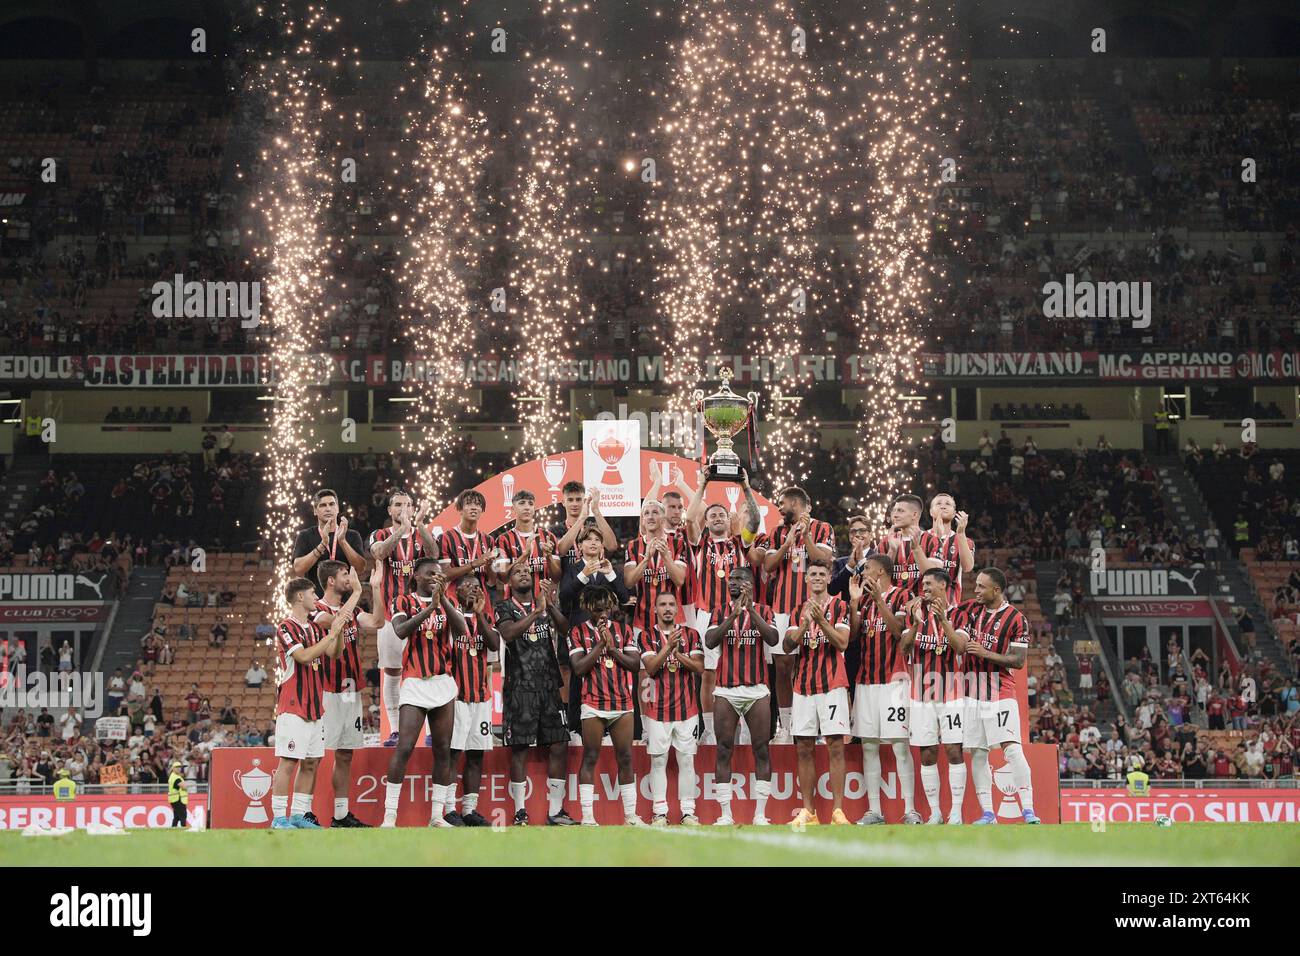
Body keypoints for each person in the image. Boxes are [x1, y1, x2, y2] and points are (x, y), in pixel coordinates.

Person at [381, 558, 467, 828]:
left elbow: (462, 629)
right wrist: (430, 607)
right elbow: (401, 630)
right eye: (430, 573)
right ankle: (389, 815)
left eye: (439, 575)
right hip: (415, 682)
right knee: (404, 747)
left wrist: (441, 601)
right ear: (416, 576)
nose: (435, 577)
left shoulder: (446, 601)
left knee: (443, 751)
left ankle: (436, 816)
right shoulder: (402, 601)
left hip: (442, 682)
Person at [269, 574, 360, 829]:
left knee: (310, 763)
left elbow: (335, 652)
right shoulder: (286, 626)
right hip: (293, 706)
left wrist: (338, 630)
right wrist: (331, 635)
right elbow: (304, 656)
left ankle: (298, 815)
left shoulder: (313, 627)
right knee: (288, 762)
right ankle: (278, 819)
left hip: (314, 708)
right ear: (300, 596)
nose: (315, 598)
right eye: (312, 594)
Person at [954, 567, 1040, 825]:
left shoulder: (1016, 619)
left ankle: (1028, 810)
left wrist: (984, 653)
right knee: (978, 753)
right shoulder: (971, 611)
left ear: (997, 590)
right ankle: (988, 813)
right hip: (971, 694)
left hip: (1000, 692)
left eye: (982, 587)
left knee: (1012, 749)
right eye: (976, 585)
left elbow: (1018, 660)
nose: (976, 590)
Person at [752, 485, 835, 743]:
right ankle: (786, 727)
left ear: (796, 504)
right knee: (782, 667)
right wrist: (788, 543)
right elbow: (768, 565)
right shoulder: (777, 532)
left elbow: (824, 561)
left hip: (814, 607)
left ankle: (817, 727)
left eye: (783, 503)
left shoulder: (823, 528)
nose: (779, 507)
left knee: (815, 664)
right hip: (782, 609)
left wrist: (806, 536)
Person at [495, 565, 577, 826]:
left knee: (559, 744)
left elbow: (565, 630)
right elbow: (508, 634)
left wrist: (549, 606)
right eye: (517, 572)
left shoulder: (544, 604)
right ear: (509, 581)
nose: (523, 574)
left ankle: (555, 811)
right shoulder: (504, 607)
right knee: (519, 748)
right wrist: (536, 613)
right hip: (519, 685)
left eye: (526, 572)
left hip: (549, 684)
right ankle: (520, 811)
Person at [682, 472, 760, 744]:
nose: (716, 518)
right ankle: (711, 731)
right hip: (707, 616)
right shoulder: (699, 544)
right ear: (707, 522)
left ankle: (749, 730)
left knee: (746, 667)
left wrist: (745, 487)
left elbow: (756, 519)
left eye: (721, 515)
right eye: (712, 515)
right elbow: (689, 518)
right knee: (709, 674)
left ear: (730, 521)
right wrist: (701, 484)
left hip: (740, 614)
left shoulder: (740, 542)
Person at [312, 560, 386, 827]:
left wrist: (375, 588)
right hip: (326, 690)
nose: (350, 578)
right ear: (331, 581)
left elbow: (378, 621)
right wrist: (356, 593)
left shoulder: (353, 611)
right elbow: (335, 624)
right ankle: (302, 811)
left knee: (345, 753)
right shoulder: (317, 610)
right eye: (345, 574)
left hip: (351, 688)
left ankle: (341, 816)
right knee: (315, 754)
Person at [705, 566, 781, 825]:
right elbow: (710, 641)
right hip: (726, 689)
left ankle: (760, 814)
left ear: (750, 584)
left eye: (739, 579)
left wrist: (751, 611)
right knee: (724, 749)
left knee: (761, 748)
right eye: (731, 579)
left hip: (757, 688)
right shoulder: (718, 611)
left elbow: (772, 638)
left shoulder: (765, 611)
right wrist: (732, 616)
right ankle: (725, 814)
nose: (733, 583)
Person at [848, 553, 918, 824]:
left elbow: (899, 632)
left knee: (900, 745)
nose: (863, 572)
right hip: (866, 681)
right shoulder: (863, 599)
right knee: (869, 746)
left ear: (880, 573)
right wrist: (854, 603)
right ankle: (874, 811)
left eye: (867, 568)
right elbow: (853, 636)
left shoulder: (902, 596)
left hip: (894, 681)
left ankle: (910, 809)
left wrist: (879, 600)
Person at [782, 560, 852, 826]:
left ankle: (837, 811)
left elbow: (842, 642)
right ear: (806, 579)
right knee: (803, 748)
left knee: (835, 745)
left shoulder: (840, 606)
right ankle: (809, 812)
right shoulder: (798, 610)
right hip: (803, 686)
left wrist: (821, 621)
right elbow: (788, 646)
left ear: (829, 578)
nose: (818, 578)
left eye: (823, 574)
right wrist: (805, 624)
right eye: (813, 574)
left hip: (833, 684)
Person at [568, 587, 644, 826]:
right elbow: (578, 668)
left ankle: (631, 816)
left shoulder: (624, 630)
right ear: (588, 609)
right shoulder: (577, 632)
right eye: (597, 609)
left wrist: (612, 649)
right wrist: (601, 645)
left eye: (605, 609)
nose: (602, 614)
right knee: (590, 757)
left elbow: (634, 665)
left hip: (622, 703)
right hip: (593, 702)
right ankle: (588, 817)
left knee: (626, 758)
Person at [898, 568, 969, 824]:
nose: (924, 588)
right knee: (927, 753)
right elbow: (903, 648)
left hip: (951, 693)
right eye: (923, 584)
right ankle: (936, 812)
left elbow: (960, 647)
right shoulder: (916, 614)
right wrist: (916, 623)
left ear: (943, 585)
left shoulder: (960, 614)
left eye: (928, 583)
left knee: (953, 750)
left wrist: (944, 621)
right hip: (921, 695)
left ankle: (956, 813)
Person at [369, 491, 438, 745]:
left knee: (426, 669)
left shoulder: (421, 534)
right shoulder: (380, 534)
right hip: (389, 616)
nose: (403, 508)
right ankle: (396, 730)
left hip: (419, 614)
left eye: (408, 504)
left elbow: (434, 553)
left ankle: (431, 732)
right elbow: (378, 553)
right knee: (393, 671)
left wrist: (418, 525)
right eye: (398, 505)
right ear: (390, 510)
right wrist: (401, 530)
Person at [639, 592, 705, 826]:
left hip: (688, 710)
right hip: (657, 710)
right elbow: (650, 668)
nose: (667, 608)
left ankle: (688, 812)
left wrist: (677, 653)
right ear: (655, 609)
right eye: (662, 605)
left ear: (677, 609)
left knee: (686, 761)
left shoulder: (692, 634)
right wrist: (668, 648)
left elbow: (699, 667)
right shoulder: (646, 636)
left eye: (671, 605)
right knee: (658, 761)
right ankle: (659, 812)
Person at [443, 577, 500, 827]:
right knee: (453, 754)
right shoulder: (450, 620)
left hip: (481, 697)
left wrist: (480, 615)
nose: (474, 589)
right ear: (457, 592)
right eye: (468, 586)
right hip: (456, 697)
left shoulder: (485, 620)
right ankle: (447, 809)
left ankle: (469, 809)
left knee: (476, 754)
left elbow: (494, 644)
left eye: (478, 586)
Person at [291, 488, 367, 595]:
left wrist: (342, 541)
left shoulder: (352, 535)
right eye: (323, 505)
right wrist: (322, 545)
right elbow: (298, 569)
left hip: (345, 604)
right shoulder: (305, 536)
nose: (328, 509)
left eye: (332, 504)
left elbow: (360, 568)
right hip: (315, 603)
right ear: (315, 510)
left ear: (337, 508)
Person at [494, 489, 560, 587]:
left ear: (534, 508)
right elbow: (502, 577)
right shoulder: (502, 540)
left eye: (530, 504)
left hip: (543, 600)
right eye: (521, 503)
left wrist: (549, 556)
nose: (527, 507)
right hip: (514, 600)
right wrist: (524, 555)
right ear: (513, 509)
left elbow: (557, 578)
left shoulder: (549, 537)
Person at [922, 494, 975, 603]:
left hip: (951, 605)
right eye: (938, 503)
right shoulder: (920, 538)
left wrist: (961, 533)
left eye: (948, 504)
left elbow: (968, 567)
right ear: (931, 512)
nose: (943, 506)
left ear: (955, 513)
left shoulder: (965, 540)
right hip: (923, 605)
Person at [168, 761, 190, 828]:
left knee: (177, 816)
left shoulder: (173, 776)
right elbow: (184, 787)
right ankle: (183, 828)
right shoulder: (176, 778)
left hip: (174, 799)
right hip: (178, 799)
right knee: (183, 815)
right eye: (177, 767)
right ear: (173, 768)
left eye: (180, 767)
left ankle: (173, 827)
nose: (179, 769)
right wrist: (186, 786)